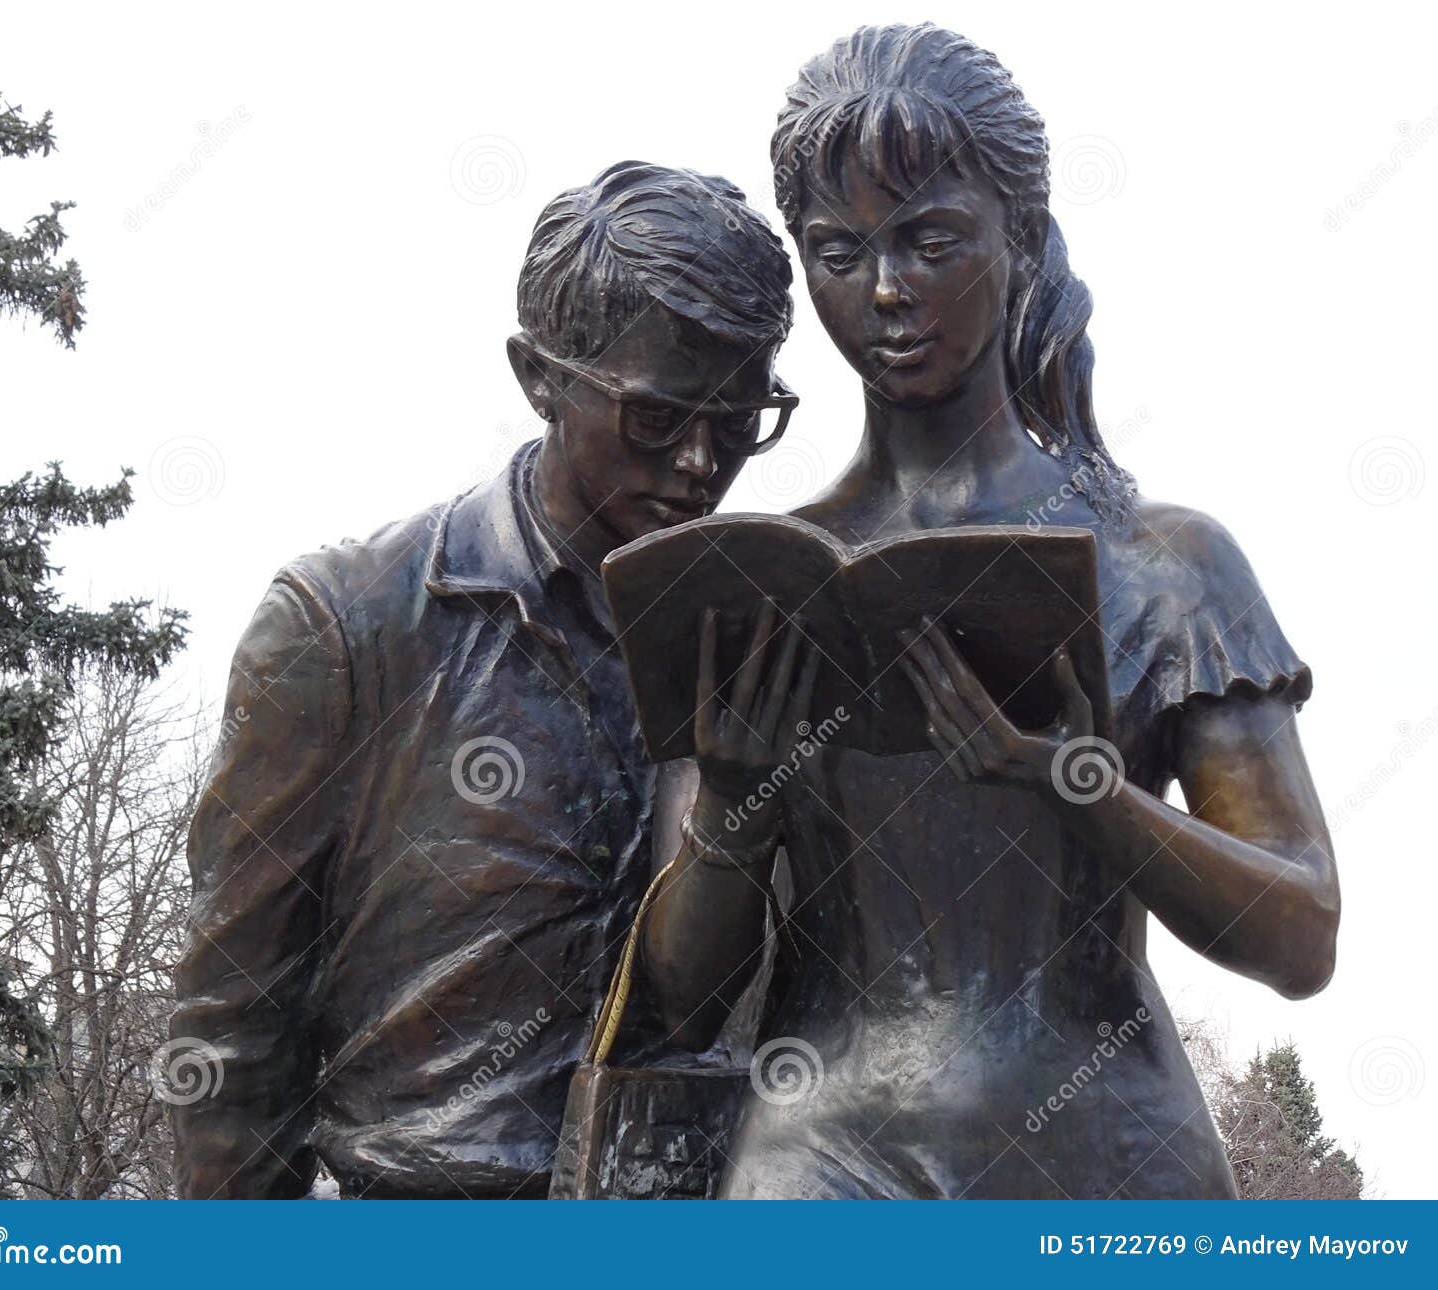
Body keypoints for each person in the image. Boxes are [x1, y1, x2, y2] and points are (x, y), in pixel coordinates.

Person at [640, 25, 1339, 1199]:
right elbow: (679, 999)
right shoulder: (754, 577)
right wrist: (730, 804)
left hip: (1109, 1163)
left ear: (1018, 236)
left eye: (930, 239)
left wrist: (1085, 790)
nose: (886, 290)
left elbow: (1300, 935)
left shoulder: (1164, 565)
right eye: (838, 250)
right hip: (816, 1177)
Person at [170, 160, 796, 1198]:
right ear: (538, 374)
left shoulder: (757, 635)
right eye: (655, 416)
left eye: (737, 425)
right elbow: (232, 1024)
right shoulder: (350, 625)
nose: (698, 463)